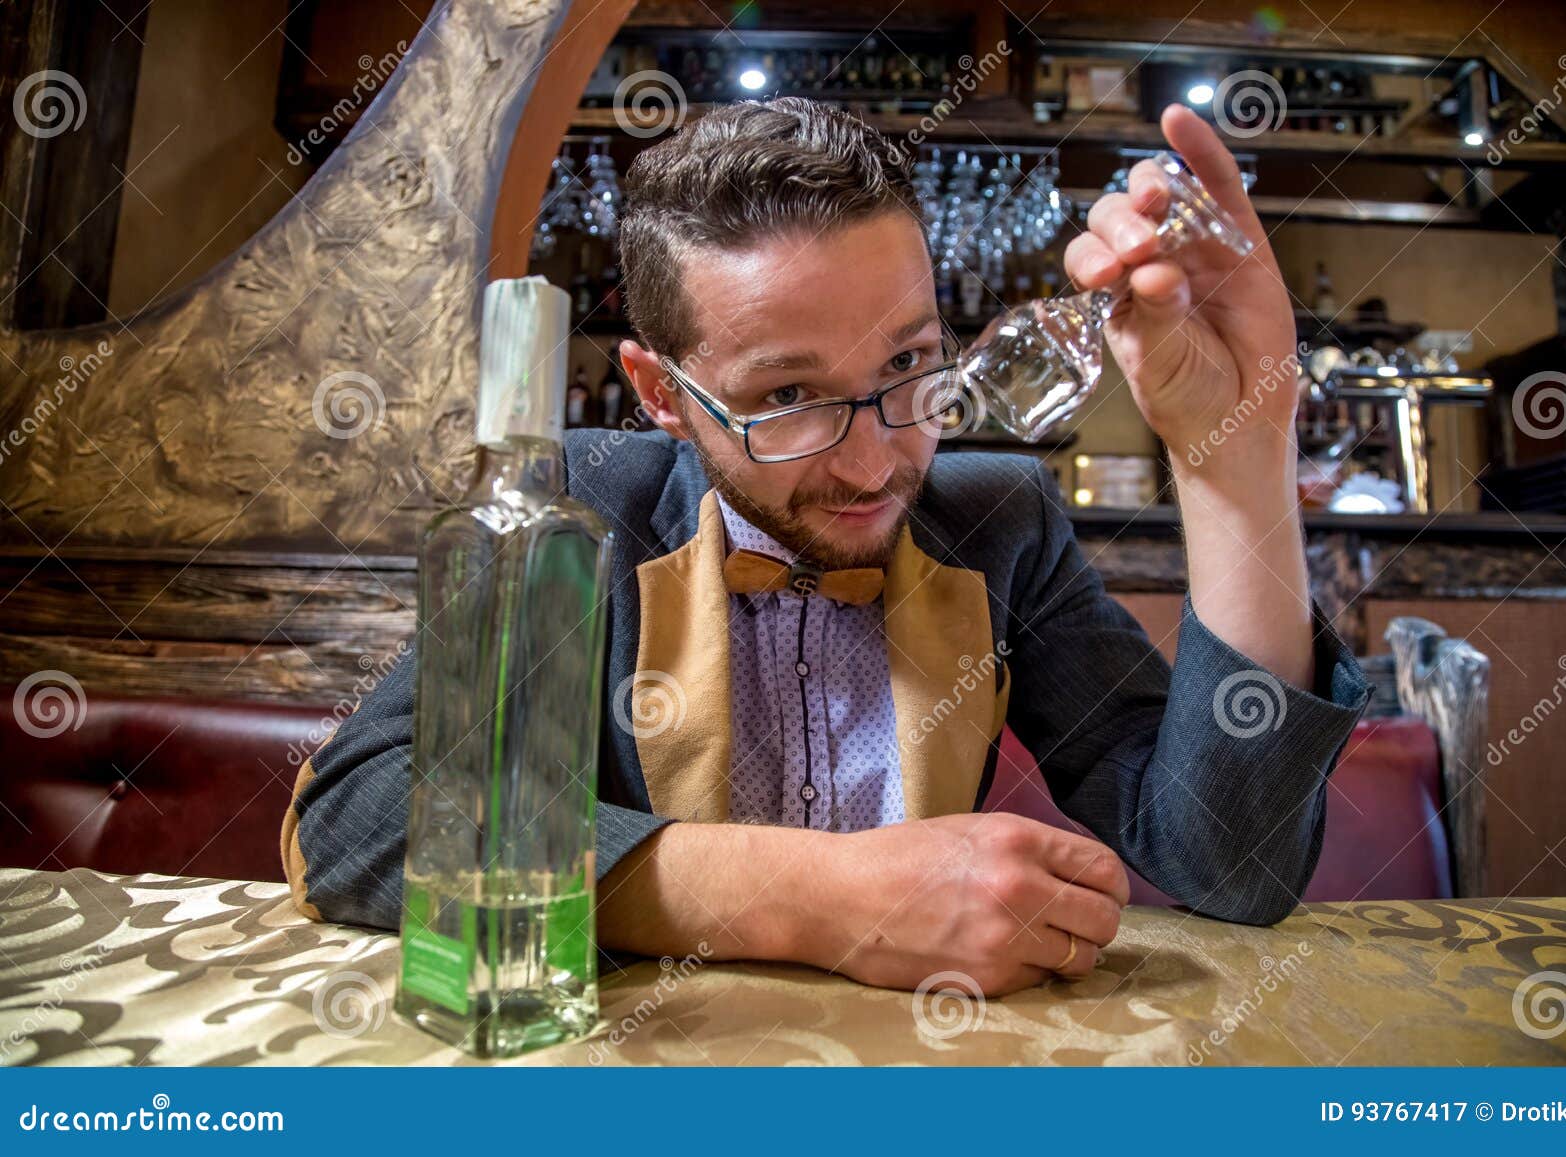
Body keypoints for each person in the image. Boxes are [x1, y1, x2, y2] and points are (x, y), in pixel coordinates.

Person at [281, 96, 1370, 996]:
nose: (873, 463)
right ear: (661, 390)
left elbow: (1232, 861)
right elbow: (356, 816)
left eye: (909, 366)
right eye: (788, 396)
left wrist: (1239, 451)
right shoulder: (576, 506)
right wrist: (824, 895)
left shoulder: (999, 521)